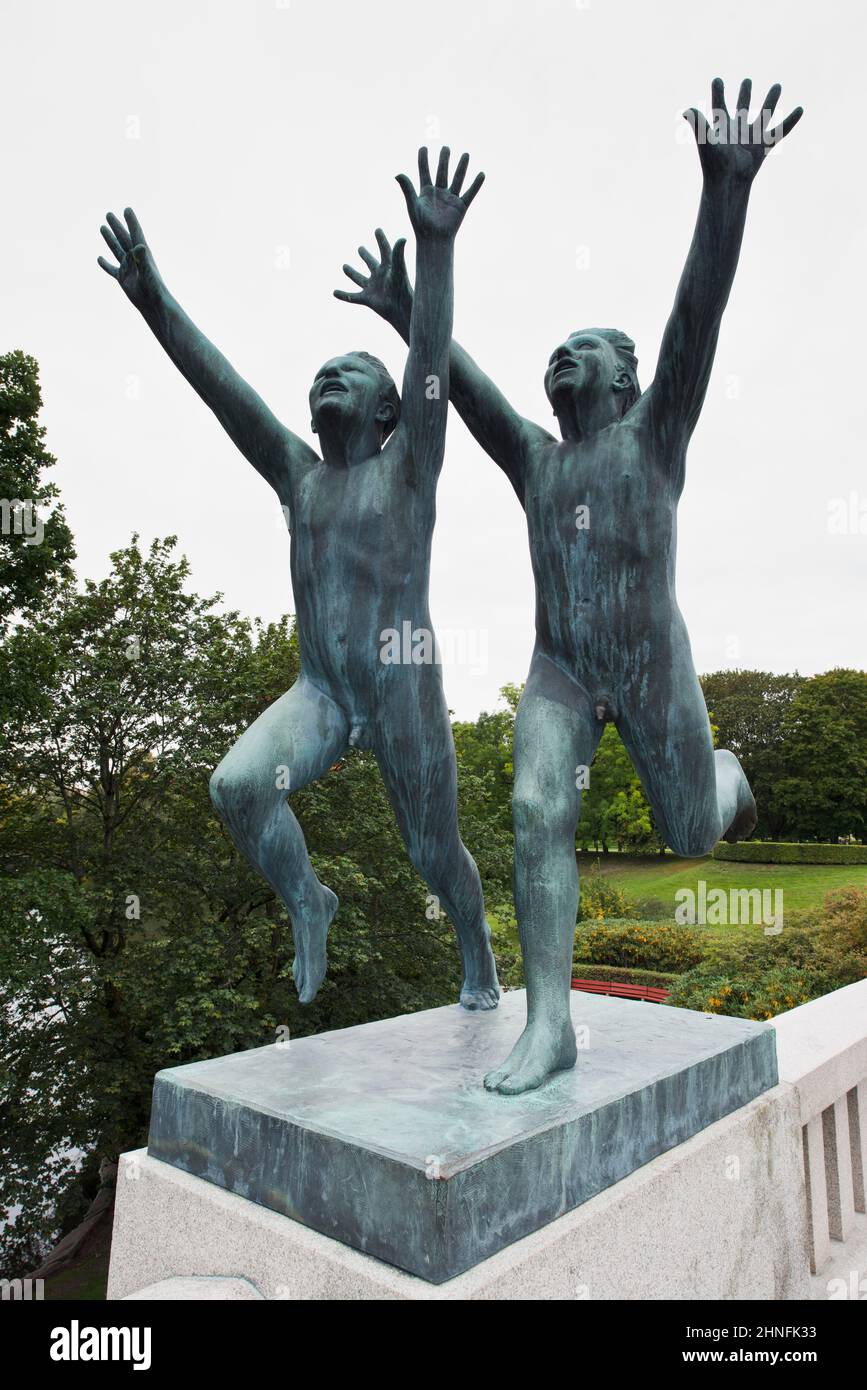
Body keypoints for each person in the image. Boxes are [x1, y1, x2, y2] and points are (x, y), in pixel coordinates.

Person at [337, 78, 802, 1092]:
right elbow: (464, 389)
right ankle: (548, 1025)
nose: (563, 355)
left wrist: (726, 189)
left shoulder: (655, 434)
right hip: (559, 672)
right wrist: (413, 305)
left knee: (688, 832)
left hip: (650, 667)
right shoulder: (539, 463)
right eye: (558, 348)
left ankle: (728, 777)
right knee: (536, 806)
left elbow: (699, 312)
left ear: (627, 378)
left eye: (583, 348)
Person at [98, 147, 500, 1013]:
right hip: (320, 692)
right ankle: (308, 899)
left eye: (345, 374)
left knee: (434, 853)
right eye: (317, 374)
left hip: (401, 686)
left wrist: (434, 253)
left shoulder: (409, 469)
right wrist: (154, 301)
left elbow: (430, 361)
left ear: (388, 409)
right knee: (237, 787)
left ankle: (477, 950)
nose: (324, 379)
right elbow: (223, 391)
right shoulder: (297, 475)